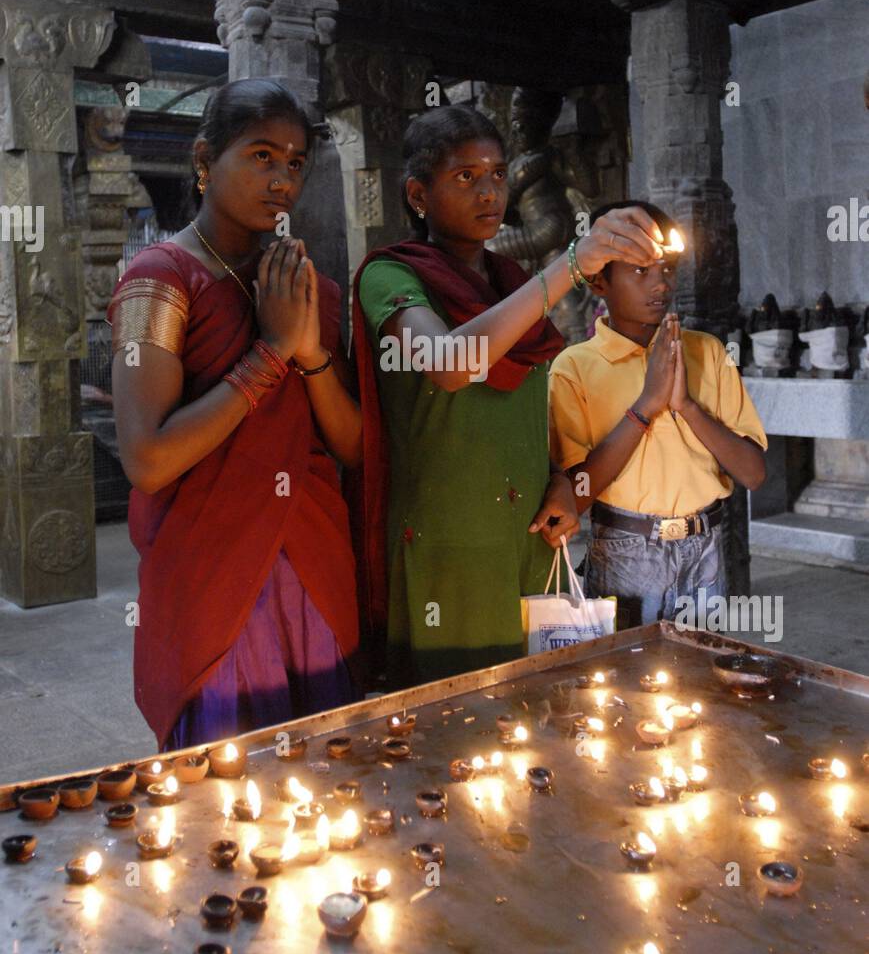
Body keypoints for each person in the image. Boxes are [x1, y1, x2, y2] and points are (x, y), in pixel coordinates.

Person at [352, 108, 667, 687]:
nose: (489, 190)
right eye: (465, 176)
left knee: (531, 713)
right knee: (456, 720)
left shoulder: (509, 283)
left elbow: (518, 412)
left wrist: (559, 482)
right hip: (449, 542)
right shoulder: (391, 277)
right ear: (418, 194)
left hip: (525, 532)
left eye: (497, 174)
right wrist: (573, 263)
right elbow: (451, 364)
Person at [108, 78, 362, 751]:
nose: (281, 178)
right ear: (203, 161)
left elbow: (353, 446)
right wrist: (273, 351)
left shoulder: (307, 285)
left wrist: (308, 354)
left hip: (311, 560)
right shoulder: (160, 281)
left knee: (326, 774)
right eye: (259, 155)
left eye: (295, 162)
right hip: (211, 570)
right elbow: (148, 460)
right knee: (221, 789)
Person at [549, 199, 768, 628]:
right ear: (598, 281)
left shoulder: (704, 351)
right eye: (639, 270)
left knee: (701, 677)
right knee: (627, 682)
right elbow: (576, 495)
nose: (660, 285)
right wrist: (647, 404)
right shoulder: (574, 368)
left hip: (704, 547)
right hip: (626, 549)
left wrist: (685, 405)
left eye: (666, 268)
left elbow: (754, 474)